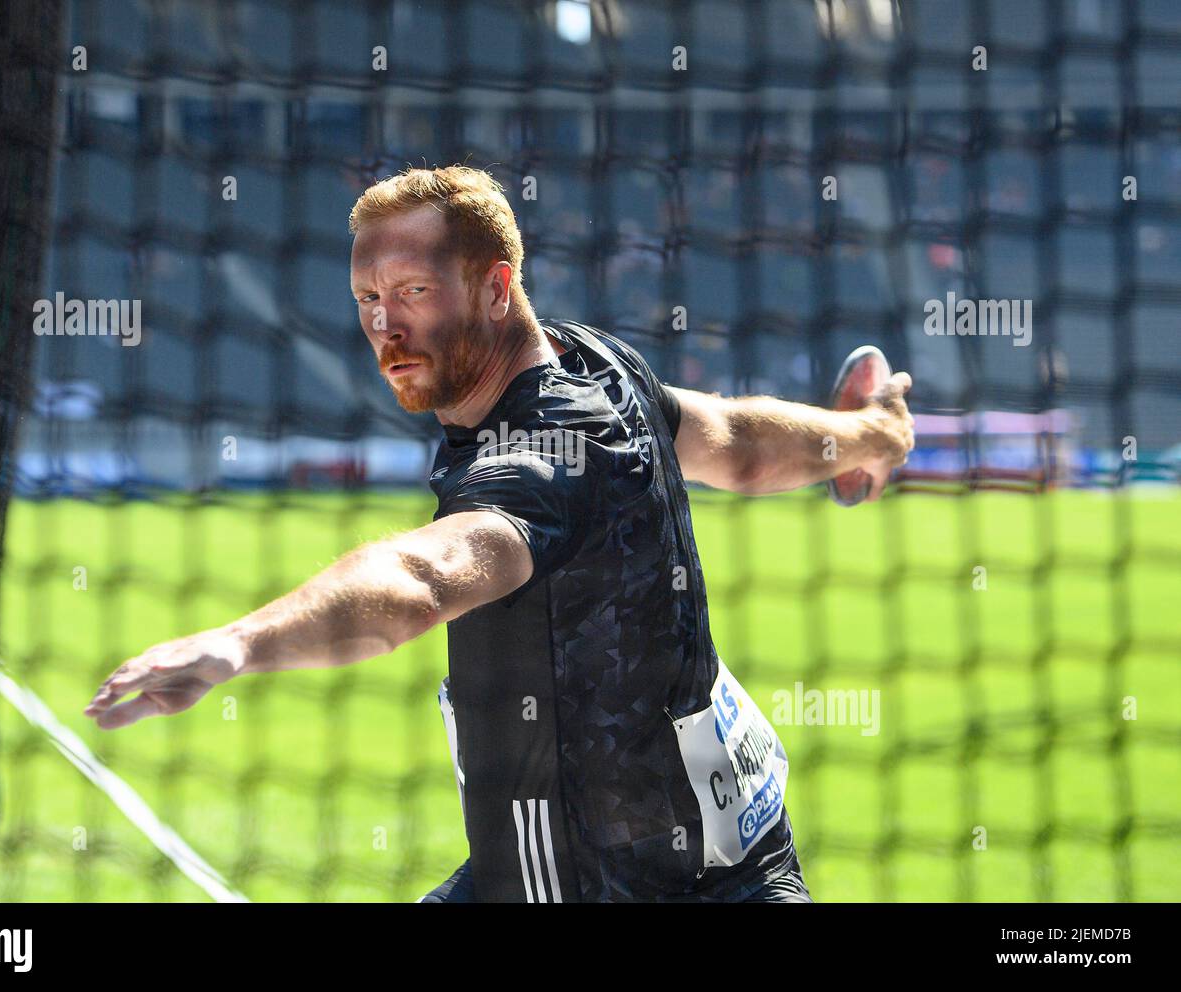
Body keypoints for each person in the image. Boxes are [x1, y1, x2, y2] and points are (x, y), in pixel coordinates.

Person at [84, 165, 914, 902]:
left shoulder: (545, 453)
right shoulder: (595, 361)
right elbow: (734, 444)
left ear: (494, 286)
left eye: (413, 291)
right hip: (597, 861)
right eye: (367, 300)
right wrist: (872, 437)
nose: (384, 326)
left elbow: (423, 577)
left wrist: (237, 645)